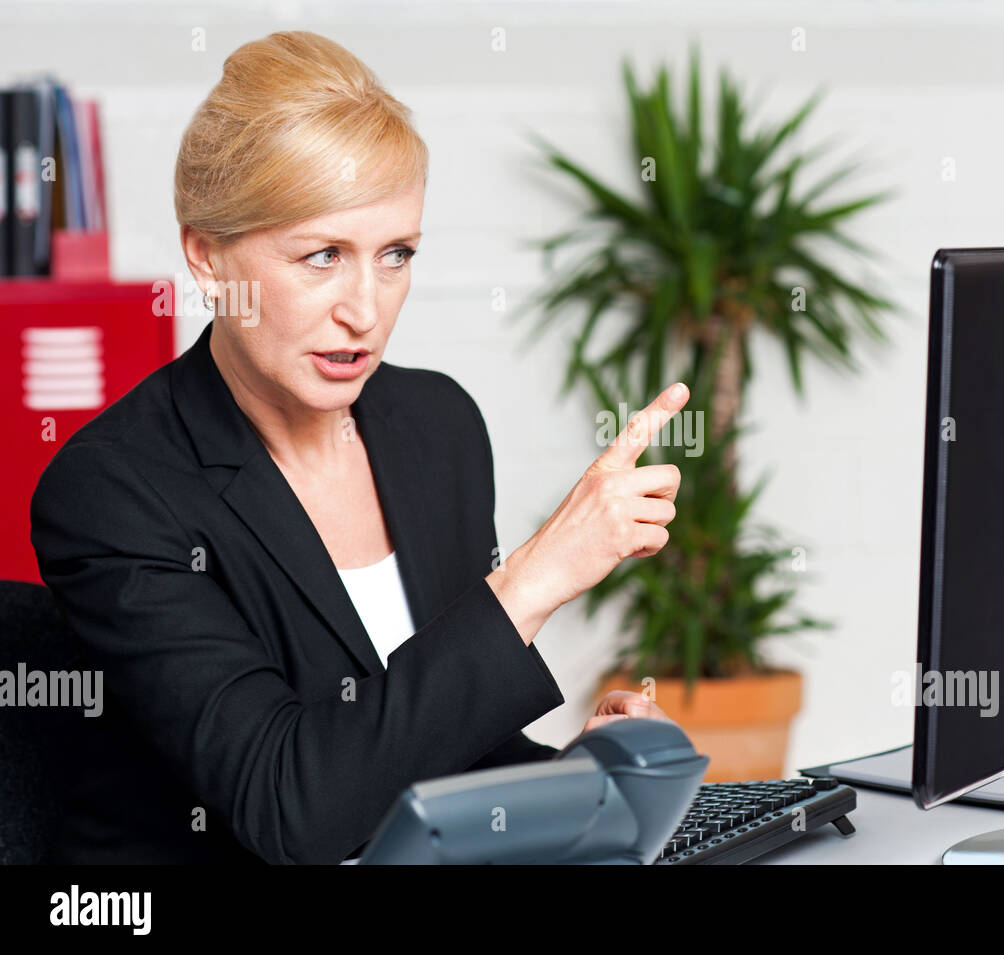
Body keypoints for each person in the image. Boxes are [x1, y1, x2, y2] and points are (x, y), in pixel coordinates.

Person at [28, 30, 687, 864]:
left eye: (395, 255)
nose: (365, 310)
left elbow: (431, 761)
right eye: (322, 256)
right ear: (205, 255)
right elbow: (291, 808)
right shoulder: (112, 490)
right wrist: (535, 577)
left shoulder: (435, 423)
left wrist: (594, 771)